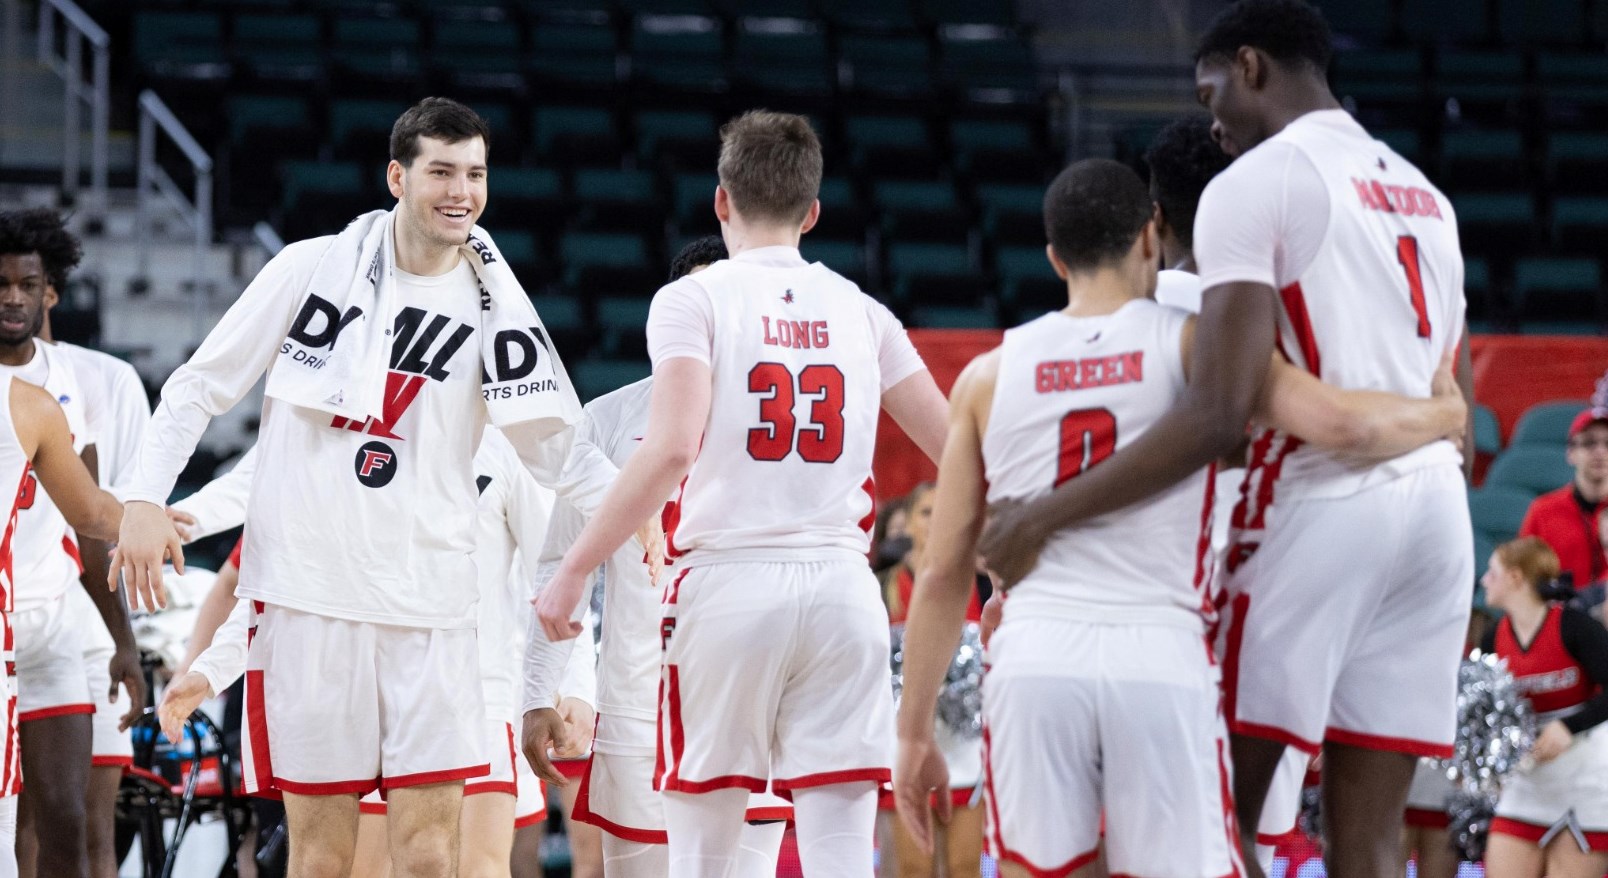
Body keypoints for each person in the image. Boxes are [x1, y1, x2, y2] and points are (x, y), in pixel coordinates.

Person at [976, 4, 1474, 875]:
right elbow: (1450, 395)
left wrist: (1037, 519)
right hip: (1437, 517)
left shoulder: (1253, 184)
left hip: (1320, 501)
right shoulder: (1427, 197)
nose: (1211, 119)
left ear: (1249, 66)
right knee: (1369, 837)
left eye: (1209, 90)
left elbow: (1218, 412)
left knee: (1215, 824)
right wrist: (1438, 424)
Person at [113, 97, 587, 878]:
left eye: (475, 174)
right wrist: (145, 498)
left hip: (434, 616)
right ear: (397, 177)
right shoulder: (310, 269)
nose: (461, 191)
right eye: (441, 172)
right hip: (316, 611)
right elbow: (202, 389)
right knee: (323, 859)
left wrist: (623, 507)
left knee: (433, 856)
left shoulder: (495, 306)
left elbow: (559, 457)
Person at [530, 111, 950, 877]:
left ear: (722, 200)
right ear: (812, 212)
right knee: (840, 856)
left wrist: (575, 568)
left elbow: (671, 449)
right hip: (842, 587)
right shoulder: (863, 311)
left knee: (702, 858)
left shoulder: (694, 300)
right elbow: (958, 452)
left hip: (729, 586)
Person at [161, 426, 580, 878]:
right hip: (355, 689)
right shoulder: (328, 423)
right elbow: (277, 580)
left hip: (477, 689)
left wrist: (573, 685)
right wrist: (210, 668)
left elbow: (556, 569)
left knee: (469, 865)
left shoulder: (505, 437)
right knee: (341, 865)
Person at [520, 235, 793, 878]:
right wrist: (539, 690)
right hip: (640, 713)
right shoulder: (608, 419)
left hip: (753, 706)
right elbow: (558, 565)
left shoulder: (783, 420)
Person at [0, 209, 145, 878]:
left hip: (53, 620)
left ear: (49, 292)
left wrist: (124, 641)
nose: (12, 298)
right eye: (1, 285)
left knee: (68, 818)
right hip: (4, 618)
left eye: (26, 285)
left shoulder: (66, 384)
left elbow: (88, 518)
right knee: (14, 825)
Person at [1478, 537, 1608, 877]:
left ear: (1515, 578)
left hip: (1587, 778)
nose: (1484, 581)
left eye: (1492, 572)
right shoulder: (1493, 638)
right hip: (1527, 780)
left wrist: (1568, 726)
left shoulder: (1576, 626)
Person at [1519, 409, 1608, 588]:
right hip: (1559, 604)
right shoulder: (1543, 511)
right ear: (1570, 453)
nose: (1600, 451)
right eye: (1589, 443)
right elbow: (1523, 575)